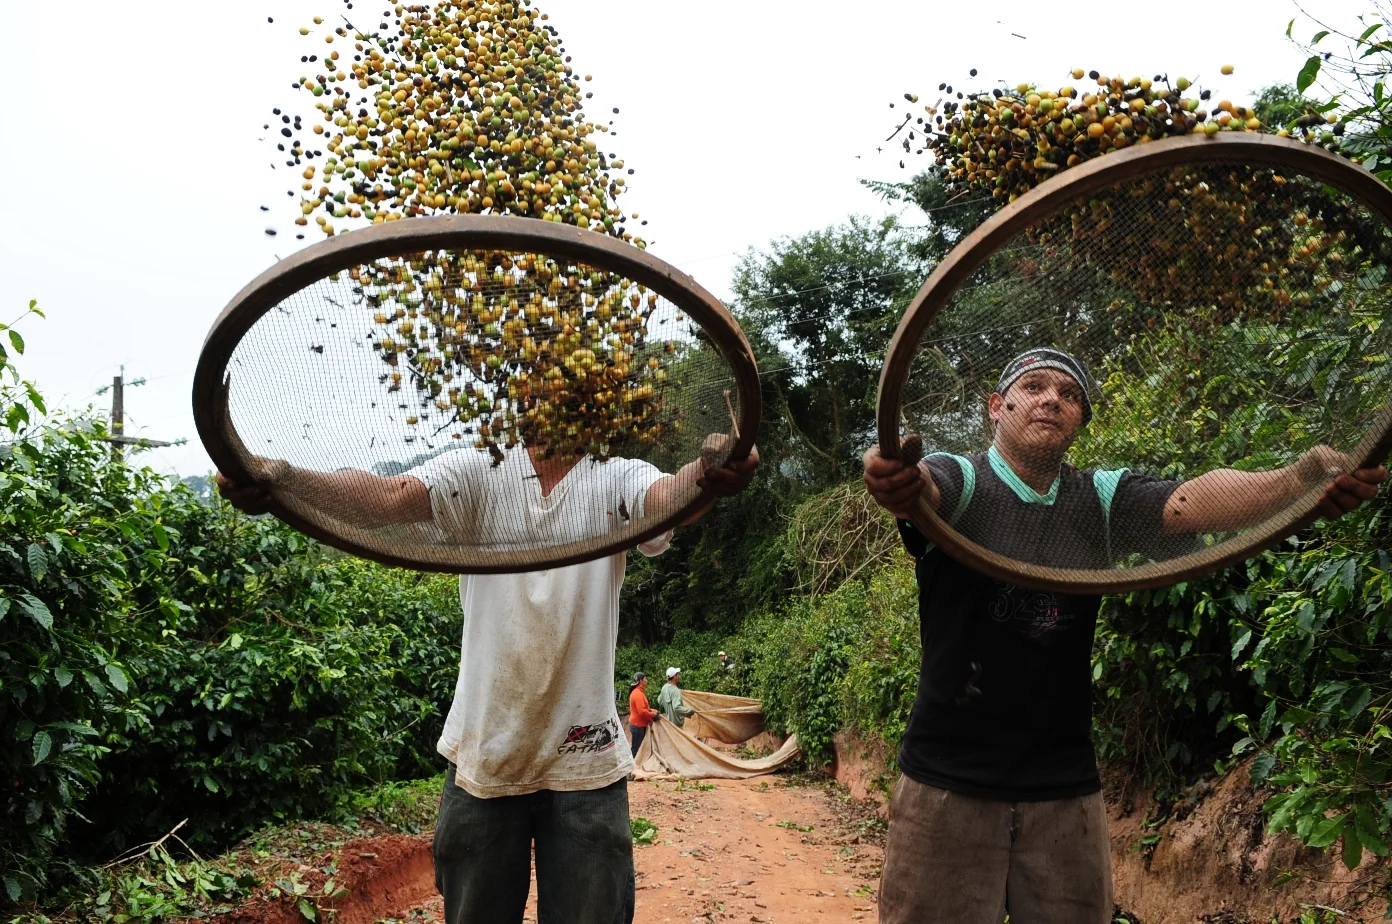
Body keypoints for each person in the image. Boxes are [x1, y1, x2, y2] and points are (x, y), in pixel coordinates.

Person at [862, 347, 1387, 924]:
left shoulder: (1099, 499)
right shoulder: (963, 480)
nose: (1051, 400)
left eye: (1069, 397)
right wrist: (898, 481)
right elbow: (924, 488)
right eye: (1034, 387)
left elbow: (1191, 500)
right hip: (945, 782)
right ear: (997, 405)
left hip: (1064, 788)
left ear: (1080, 422)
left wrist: (1299, 479)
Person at [217, 433, 759, 924]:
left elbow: (670, 497)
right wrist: (284, 478)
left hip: (585, 762)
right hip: (484, 757)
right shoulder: (477, 472)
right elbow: (389, 496)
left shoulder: (615, 477)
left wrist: (712, 466)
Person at [627, 672, 658, 758]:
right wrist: (653, 715)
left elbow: (643, 709)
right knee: (636, 749)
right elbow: (641, 712)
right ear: (641, 680)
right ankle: (630, 769)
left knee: (638, 748)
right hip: (637, 726)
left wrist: (651, 711)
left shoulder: (638, 692)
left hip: (639, 725)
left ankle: (633, 767)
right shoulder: (638, 694)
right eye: (645, 679)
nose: (647, 680)